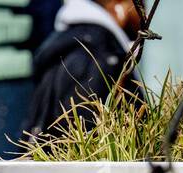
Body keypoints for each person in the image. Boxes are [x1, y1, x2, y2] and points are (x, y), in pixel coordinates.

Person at [25, 0, 144, 139]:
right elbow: (80, 133)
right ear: (116, 6)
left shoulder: (72, 45)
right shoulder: (98, 55)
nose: (144, 14)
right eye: (140, 4)